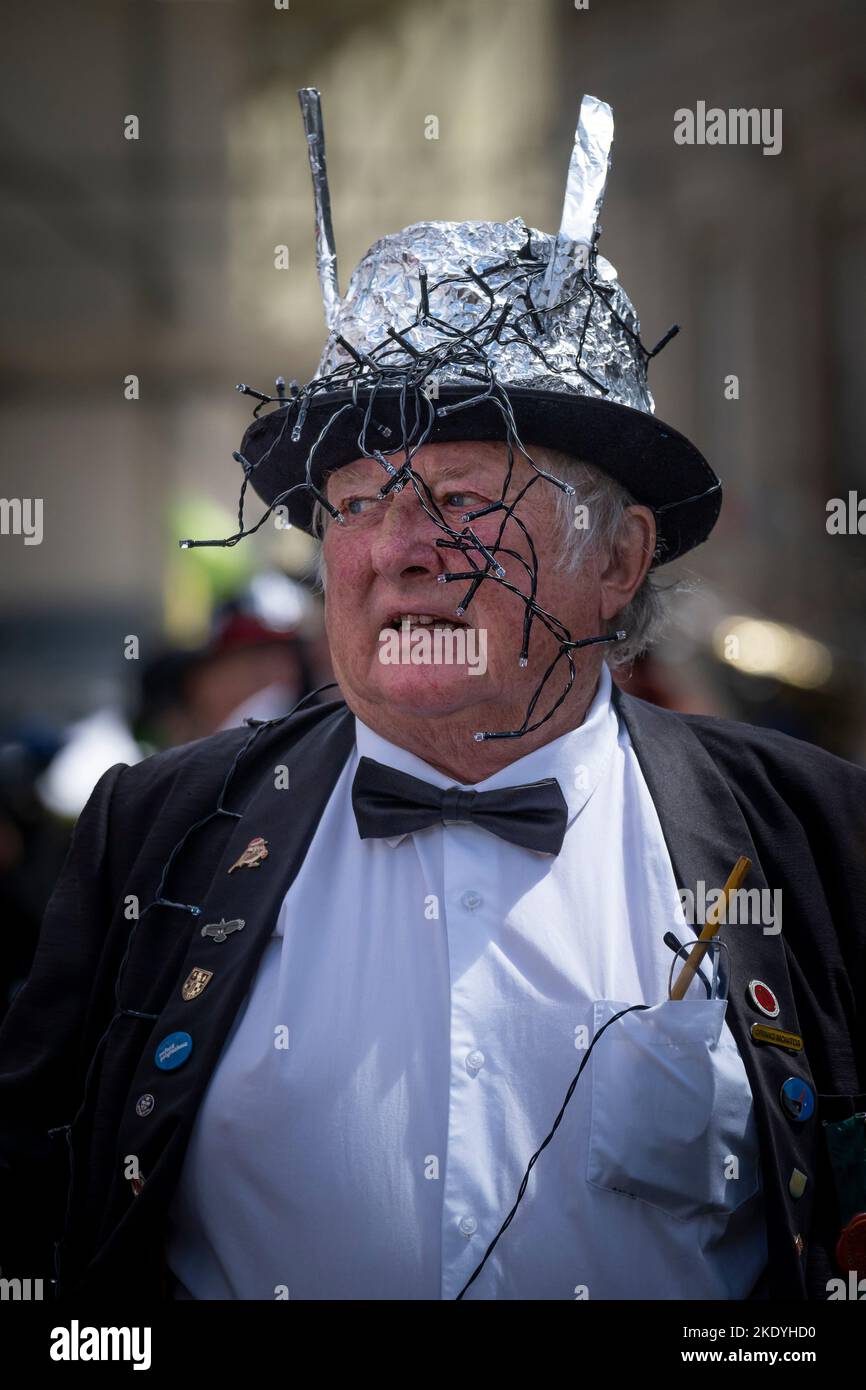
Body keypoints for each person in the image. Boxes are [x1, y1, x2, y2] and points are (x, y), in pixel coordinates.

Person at [1, 90, 864, 1303]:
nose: (397, 551)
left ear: (617, 559)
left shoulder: (815, 838)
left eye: (463, 500)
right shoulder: (154, 832)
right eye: (357, 504)